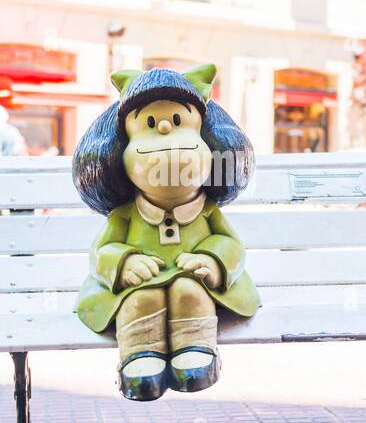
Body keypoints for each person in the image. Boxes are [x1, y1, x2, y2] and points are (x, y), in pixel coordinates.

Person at [72, 64, 260, 401]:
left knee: (190, 291)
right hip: (139, 284)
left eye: (177, 120)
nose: (163, 129)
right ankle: (139, 355)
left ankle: (196, 351)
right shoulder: (127, 214)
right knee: (141, 299)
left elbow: (231, 243)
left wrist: (215, 261)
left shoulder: (207, 210)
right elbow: (101, 250)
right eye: (148, 124)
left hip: (196, 280)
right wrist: (122, 262)